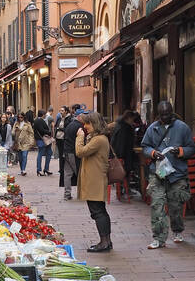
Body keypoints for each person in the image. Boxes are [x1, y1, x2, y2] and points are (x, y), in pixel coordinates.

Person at [141, 100, 195, 249]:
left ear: (172, 112)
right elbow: (145, 146)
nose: (165, 117)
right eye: (162, 114)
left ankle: (177, 230)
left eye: (168, 114)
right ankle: (159, 238)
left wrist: (180, 151)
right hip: (157, 173)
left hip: (177, 173)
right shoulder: (152, 129)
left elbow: (192, 148)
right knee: (157, 205)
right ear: (158, 115)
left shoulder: (182, 127)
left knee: (175, 205)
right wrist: (153, 153)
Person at [73, 111, 113, 252]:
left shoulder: (99, 139)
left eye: (87, 123)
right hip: (95, 178)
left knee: (97, 212)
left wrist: (80, 137)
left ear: (94, 124)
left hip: (95, 179)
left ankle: (104, 242)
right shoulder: (99, 138)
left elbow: (80, 152)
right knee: (100, 210)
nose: (85, 126)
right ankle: (106, 241)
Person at [110, 110, 138, 200]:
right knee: (124, 172)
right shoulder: (125, 128)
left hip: (118, 153)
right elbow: (122, 143)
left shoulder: (118, 125)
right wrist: (121, 156)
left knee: (124, 173)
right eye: (132, 119)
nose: (133, 121)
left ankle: (122, 190)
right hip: (124, 154)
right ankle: (124, 189)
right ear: (128, 118)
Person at [59, 105, 84, 200]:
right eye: (84, 116)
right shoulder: (80, 126)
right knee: (80, 172)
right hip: (73, 152)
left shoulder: (70, 124)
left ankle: (67, 194)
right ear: (79, 116)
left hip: (66, 152)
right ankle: (82, 194)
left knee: (67, 174)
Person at [12, 110, 35, 174]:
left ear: (24, 117)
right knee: (20, 157)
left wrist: (31, 142)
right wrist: (15, 130)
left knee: (24, 156)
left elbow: (31, 133)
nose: (20, 118)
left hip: (26, 142)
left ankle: (23, 170)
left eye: (21, 117)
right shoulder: (16, 123)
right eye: (19, 117)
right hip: (18, 143)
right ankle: (21, 169)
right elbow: (12, 132)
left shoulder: (28, 124)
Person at [33, 109, 53, 175]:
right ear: (43, 114)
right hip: (42, 139)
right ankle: (40, 169)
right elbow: (42, 130)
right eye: (45, 114)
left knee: (48, 152)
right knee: (41, 153)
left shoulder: (37, 120)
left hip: (42, 139)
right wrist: (49, 132)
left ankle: (45, 169)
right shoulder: (39, 120)